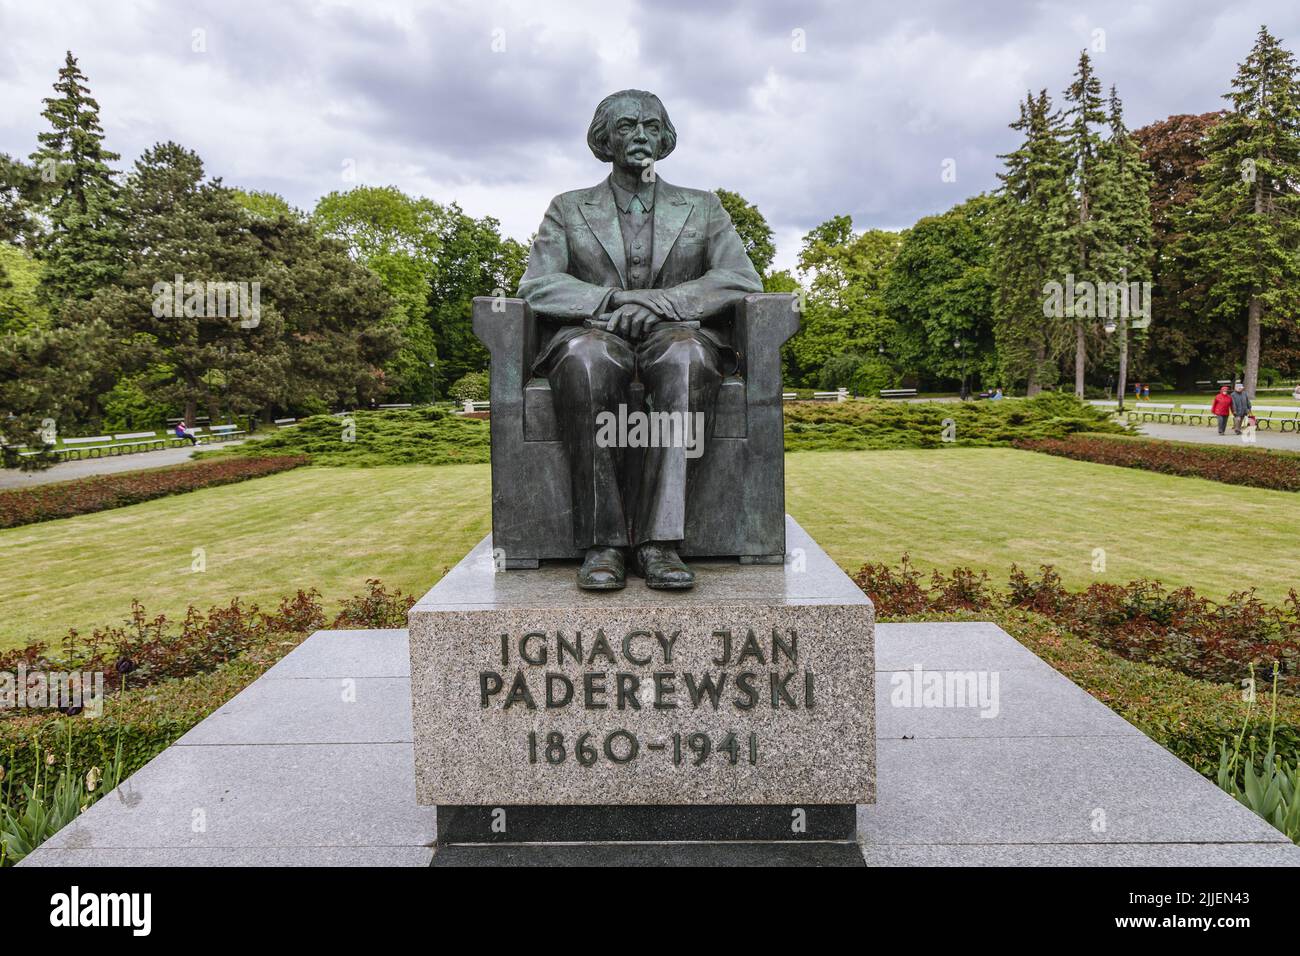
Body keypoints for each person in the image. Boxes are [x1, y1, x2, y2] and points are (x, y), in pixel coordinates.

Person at [517, 89, 762, 591]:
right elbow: (539, 284)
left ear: (667, 138)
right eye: (627, 126)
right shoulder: (567, 208)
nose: (641, 135)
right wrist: (610, 301)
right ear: (603, 139)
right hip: (592, 331)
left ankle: (659, 543)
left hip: (678, 331)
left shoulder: (702, 206)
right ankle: (603, 543)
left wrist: (660, 302)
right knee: (587, 361)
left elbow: (739, 278)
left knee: (687, 359)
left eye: (652, 125)